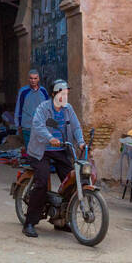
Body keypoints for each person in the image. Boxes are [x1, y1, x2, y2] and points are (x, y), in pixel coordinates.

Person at [23, 80, 85, 238]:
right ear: (54, 94)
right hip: (41, 151)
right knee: (42, 182)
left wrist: (81, 142)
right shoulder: (43, 108)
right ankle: (29, 222)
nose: (65, 96)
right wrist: (49, 138)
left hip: (60, 150)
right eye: (62, 93)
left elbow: (76, 127)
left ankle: (61, 220)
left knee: (72, 180)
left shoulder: (68, 109)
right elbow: (38, 125)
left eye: (66, 93)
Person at [14, 70, 49, 136]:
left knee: (41, 146)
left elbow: (48, 108)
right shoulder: (23, 91)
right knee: (29, 146)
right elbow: (18, 108)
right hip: (27, 126)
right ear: (28, 79)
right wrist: (17, 125)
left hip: (41, 126)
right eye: (31, 78)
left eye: (35, 78)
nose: (33, 80)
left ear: (38, 79)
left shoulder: (43, 91)